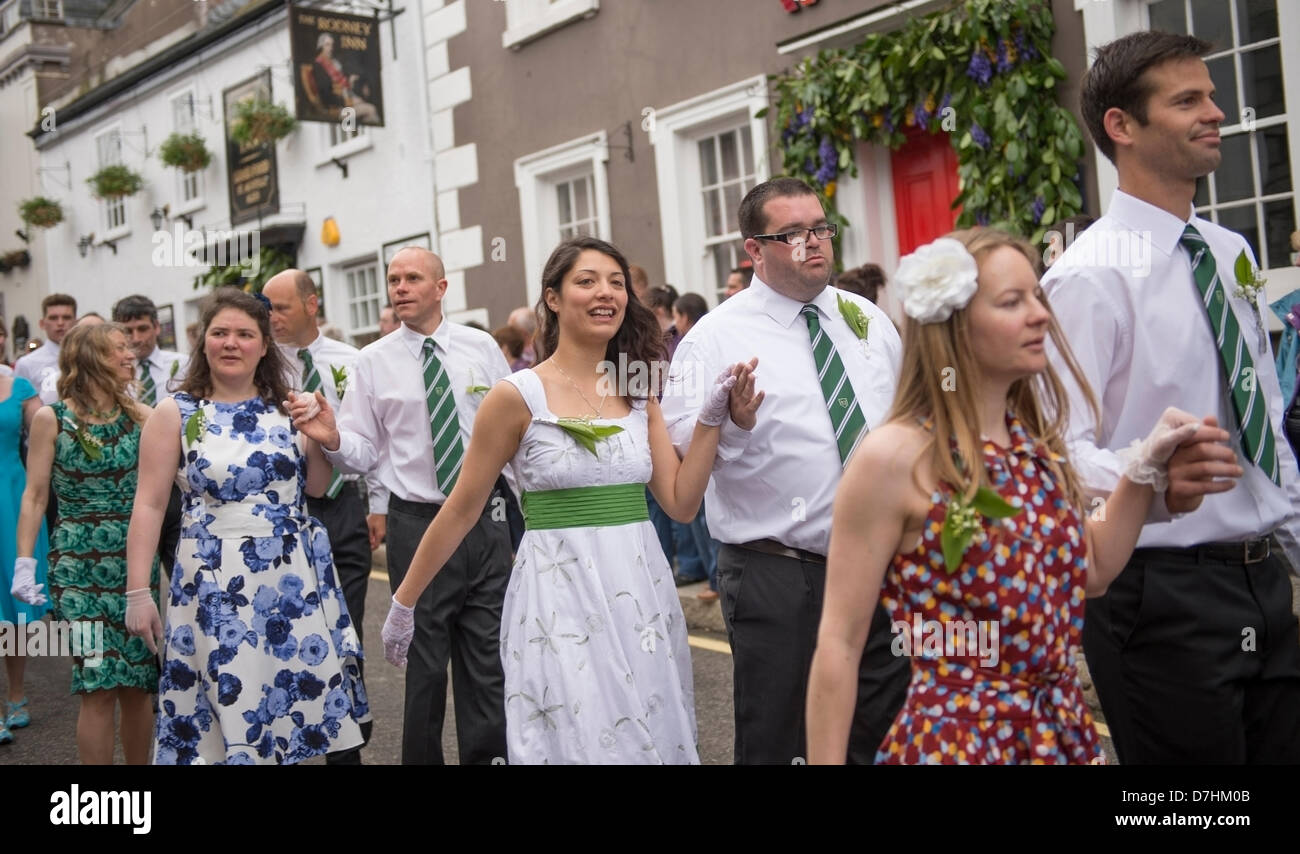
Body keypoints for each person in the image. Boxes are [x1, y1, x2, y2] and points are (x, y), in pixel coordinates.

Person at [806, 229, 1221, 763]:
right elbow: (840, 644)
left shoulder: (1033, 441)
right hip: (961, 743)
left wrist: (1144, 470)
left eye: (1037, 297)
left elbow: (1090, 569)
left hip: (1059, 735)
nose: (1040, 315)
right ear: (954, 327)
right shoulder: (895, 457)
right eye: (1012, 302)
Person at [348, 236, 761, 764]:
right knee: (574, 737)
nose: (605, 293)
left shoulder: (639, 390)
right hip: (556, 595)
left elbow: (681, 503)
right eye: (586, 281)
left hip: (641, 593)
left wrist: (712, 421)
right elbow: (462, 507)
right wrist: (404, 602)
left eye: (615, 282)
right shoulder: (517, 394)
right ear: (553, 298)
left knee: (648, 734)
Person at [1042, 30, 1300, 764]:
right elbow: (1057, 450)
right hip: (1159, 595)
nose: (1216, 112)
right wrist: (1147, 475)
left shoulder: (1231, 254)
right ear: (1123, 127)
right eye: (1188, 100)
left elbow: (1262, 417)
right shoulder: (1089, 279)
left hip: (1261, 580)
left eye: (1211, 95)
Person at [661, 176, 909, 764]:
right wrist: (733, 428)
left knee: (884, 735)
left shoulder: (868, 320)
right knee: (784, 740)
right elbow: (682, 471)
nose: (815, 242)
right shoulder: (712, 340)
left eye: (821, 228)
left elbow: (905, 422)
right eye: (793, 234)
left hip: (884, 569)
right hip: (781, 572)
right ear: (754, 250)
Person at [124, 288, 367, 765]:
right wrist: (138, 591)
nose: (230, 343)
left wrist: (323, 436)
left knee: (285, 709)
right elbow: (150, 505)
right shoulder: (176, 413)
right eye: (220, 333)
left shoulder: (290, 408)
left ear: (263, 345)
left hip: (288, 582)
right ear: (204, 342)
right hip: (212, 584)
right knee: (224, 708)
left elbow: (316, 487)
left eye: (244, 334)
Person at [298, 247, 513, 765]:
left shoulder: (481, 347)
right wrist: (331, 439)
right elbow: (364, 451)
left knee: (487, 660)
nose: (399, 287)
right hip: (418, 521)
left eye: (412, 278)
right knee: (425, 663)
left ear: (441, 288)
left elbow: (513, 427)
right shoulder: (373, 360)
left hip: (487, 520)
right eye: (393, 279)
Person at [13, 323, 158, 763]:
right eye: (119, 349)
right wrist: (24, 561)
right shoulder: (52, 419)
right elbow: (36, 495)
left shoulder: (142, 416)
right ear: (92, 355)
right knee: (97, 686)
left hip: (134, 564)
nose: (130, 355)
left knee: (137, 684)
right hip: (77, 568)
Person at [263, 269, 382, 764]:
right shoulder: (260, 368)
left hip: (340, 506)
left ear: (312, 305)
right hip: (280, 510)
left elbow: (374, 435)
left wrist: (379, 504)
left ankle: (345, 744)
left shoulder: (351, 362)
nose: (270, 317)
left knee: (345, 631)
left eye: (281, 307)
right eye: (265, 307)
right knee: (285, 634)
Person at [112, 295, 188, 577]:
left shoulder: (182, 365)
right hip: (131, 481)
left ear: (156, 327)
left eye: (142, 329)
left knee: (183, 572)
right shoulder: (112, 374)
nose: (136, 338)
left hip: (177, 482)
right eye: (127, 331)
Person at [0, 365, 50, 745]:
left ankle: (16, 693)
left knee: (14, 607)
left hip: (12, 498)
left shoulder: (20, 388)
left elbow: (50, 432)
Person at [671, 293, 723, 602]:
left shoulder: (701, 343)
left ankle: (714, 578)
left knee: (704, 517)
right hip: (695, 441)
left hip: (704, 445)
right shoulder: (690, 345)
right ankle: (713, 575)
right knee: (700, 518)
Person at [16, 294, 76, 406]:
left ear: (76, 322)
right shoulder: (26, 364)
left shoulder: (87, 358)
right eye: (53, 318)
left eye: (66, 317)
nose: (60, 323)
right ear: (42, 324)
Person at [312, 33, 380, 124]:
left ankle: (355, 133)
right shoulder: (319, 65)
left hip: (346, 100)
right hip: (336, 107)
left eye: (332, 44)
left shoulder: (333, 61)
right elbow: (326, 94)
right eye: (327, 45)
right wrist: (349, 101)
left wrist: (351, 80)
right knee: (371, 110)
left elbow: (341, 80)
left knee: (366, 106)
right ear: (321, 46)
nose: (331, 48)